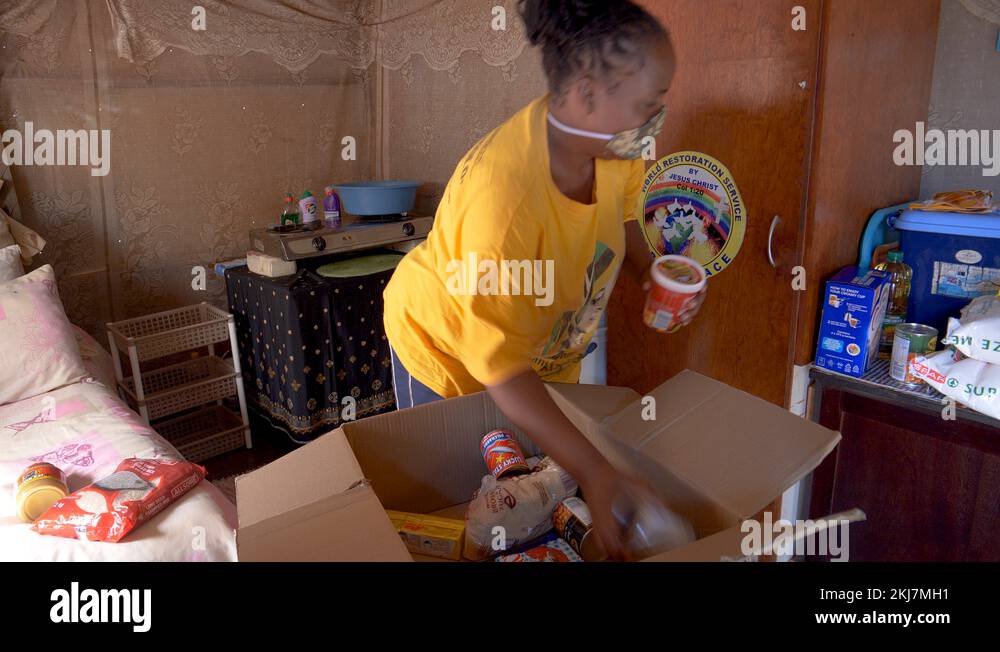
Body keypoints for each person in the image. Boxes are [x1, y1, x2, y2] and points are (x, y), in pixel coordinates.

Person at [382, 0, 706, 560]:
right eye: (648, 106)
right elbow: (502, 373)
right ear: (585, 93)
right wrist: (601, 475)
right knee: (467, 513)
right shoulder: (505, 201)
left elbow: (626, 214)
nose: (658, 118)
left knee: (536, 494)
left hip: (540, 355)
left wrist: (653, 275)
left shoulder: (610, 142)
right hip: (447, 352)